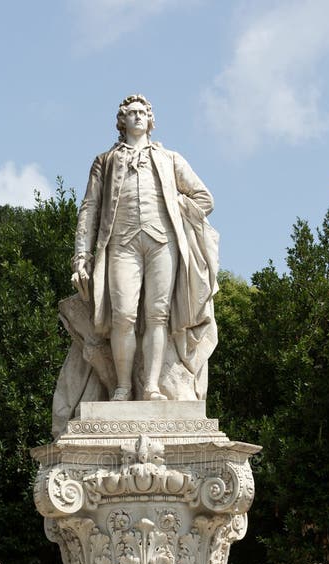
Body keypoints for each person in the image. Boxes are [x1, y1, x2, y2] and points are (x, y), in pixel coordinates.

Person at [71, 93, 218, 404]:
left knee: (157, 316)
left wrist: (176, 206)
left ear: (151, 120)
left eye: (142, 112)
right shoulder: (105, 161)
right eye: (131, 113)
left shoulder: (170, 159)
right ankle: (123, 387)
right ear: (121, 121)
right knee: (123, 317)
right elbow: (90, 208)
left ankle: (151, 386)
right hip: (120, 244)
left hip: (162, 242)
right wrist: (82, 257)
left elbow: (205, 198)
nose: (137, 116)